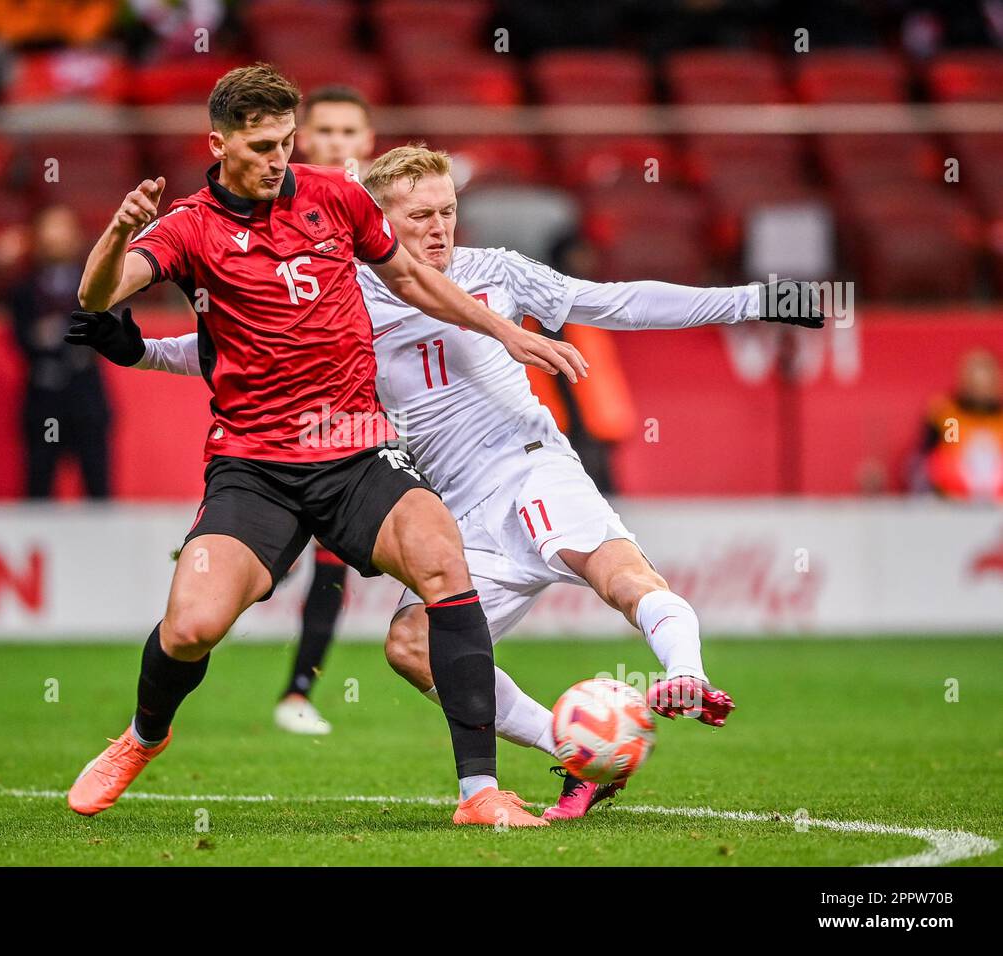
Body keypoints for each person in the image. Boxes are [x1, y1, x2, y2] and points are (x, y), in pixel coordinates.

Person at [129, 144, 826, 820]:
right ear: (377, 222)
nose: (439, 229)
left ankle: (687, 676)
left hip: (526, 465)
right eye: (419, 217)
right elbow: (237, 348)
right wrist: (139, 349)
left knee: (620, 577)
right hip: (450, 510)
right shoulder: (340, 297)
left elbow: (616, 303)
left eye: (447, 211)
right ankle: (581, 749)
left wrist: (752, 300)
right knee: (409, 646)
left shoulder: (497, 271)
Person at [63, 64, 589, 827]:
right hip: (255, 464)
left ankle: (480, 794)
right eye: (261, 146)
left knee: (442, 558)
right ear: (218, 143)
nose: (278, 159)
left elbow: (410, 278)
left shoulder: (334, 197)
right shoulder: (186, 227)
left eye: (285, 142)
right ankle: (143, 735)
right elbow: (96, 296)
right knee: (190, 628)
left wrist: (507, 331)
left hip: (354, 449)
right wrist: (116, 235)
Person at [273, 84, 378, 736]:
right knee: (282, 560)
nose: (338, 142)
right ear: (304, 140)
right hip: (296, 407)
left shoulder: (393, 211)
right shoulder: (281, 210)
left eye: (350, 132)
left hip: (376, 409)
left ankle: (298, 692)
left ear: (368, 142)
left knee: (337, 555)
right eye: (327, 131)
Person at [9, 204, 112, 499]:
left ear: (77, 237)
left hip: (87, 401)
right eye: (49, 231)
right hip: (43, 402)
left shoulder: (97, 283)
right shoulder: (23, 290)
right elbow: (23, 341)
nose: (56, 239)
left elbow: (104, 331)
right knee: (38, 493)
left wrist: (56, 332)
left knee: (98, 494)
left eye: (62, 231)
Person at [914, 348, 1003, 500]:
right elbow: (947, 456)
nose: (980, 389)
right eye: (975, 381)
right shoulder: (950, 416)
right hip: (955, 502)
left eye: (986, 382)